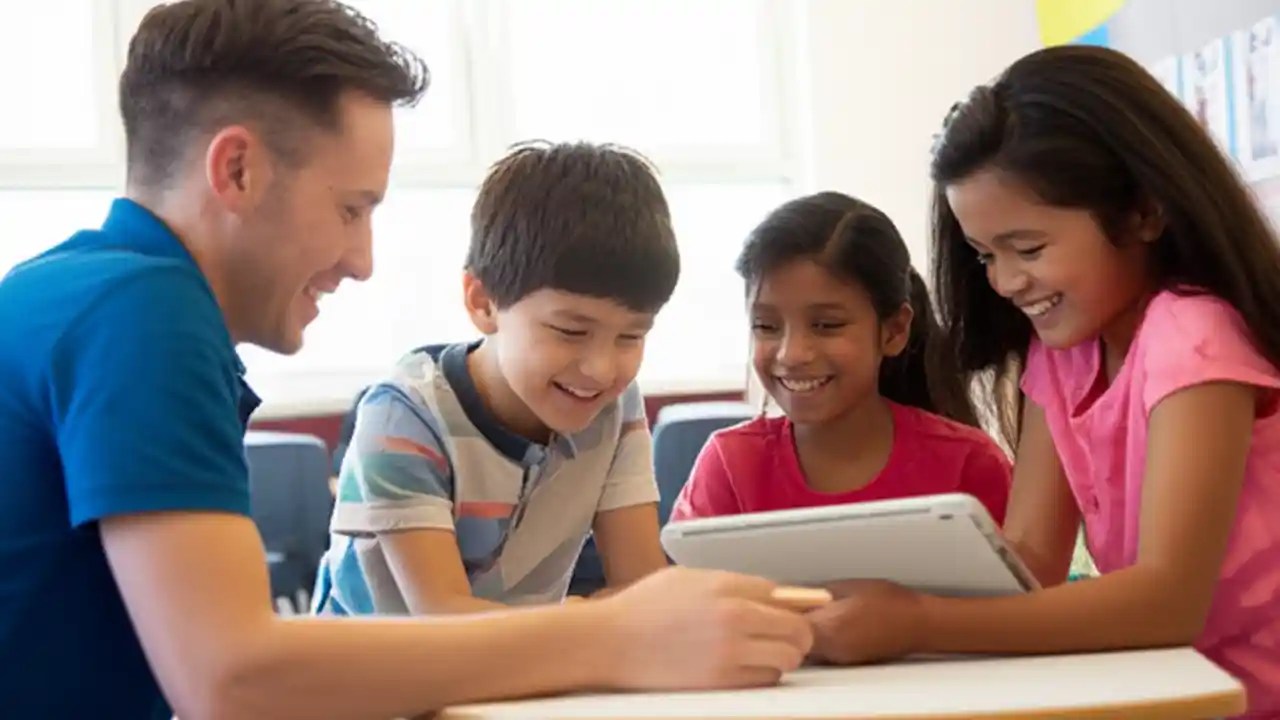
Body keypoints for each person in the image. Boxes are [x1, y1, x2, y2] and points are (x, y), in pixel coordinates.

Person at [0, 2, 812, 718]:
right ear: (236, 170)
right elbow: (231, 680)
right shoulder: (142, 314)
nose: (362, 260)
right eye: (352, 208)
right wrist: (613, 636)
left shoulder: (70, 291)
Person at [807, 45, 1280, 719]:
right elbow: (1030, 557)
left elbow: (1168, 601)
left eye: (1027, 249)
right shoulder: (1060, 356)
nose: (1003, 282)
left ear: (1143, 213)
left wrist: (918, 619)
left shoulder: (1194, 333)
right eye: (983, 254)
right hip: (1167, 689)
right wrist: (868, 599)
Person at [313, 142, 679, 614]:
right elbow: (448, 626)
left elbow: (643, 593)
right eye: (570, 331)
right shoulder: (403, 416)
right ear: (483, 303)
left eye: (631, 336)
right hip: (380, 680)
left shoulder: (615, 405)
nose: (602, 369)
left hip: (529, 674)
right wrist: (606, 622)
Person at [670, 192, 1010, 524]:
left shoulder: (969, 465)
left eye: (826, 325)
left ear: (893, 332)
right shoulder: (729, 464)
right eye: (766, 326)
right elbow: (689, 581)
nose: (792, 354)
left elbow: (1023, 580)